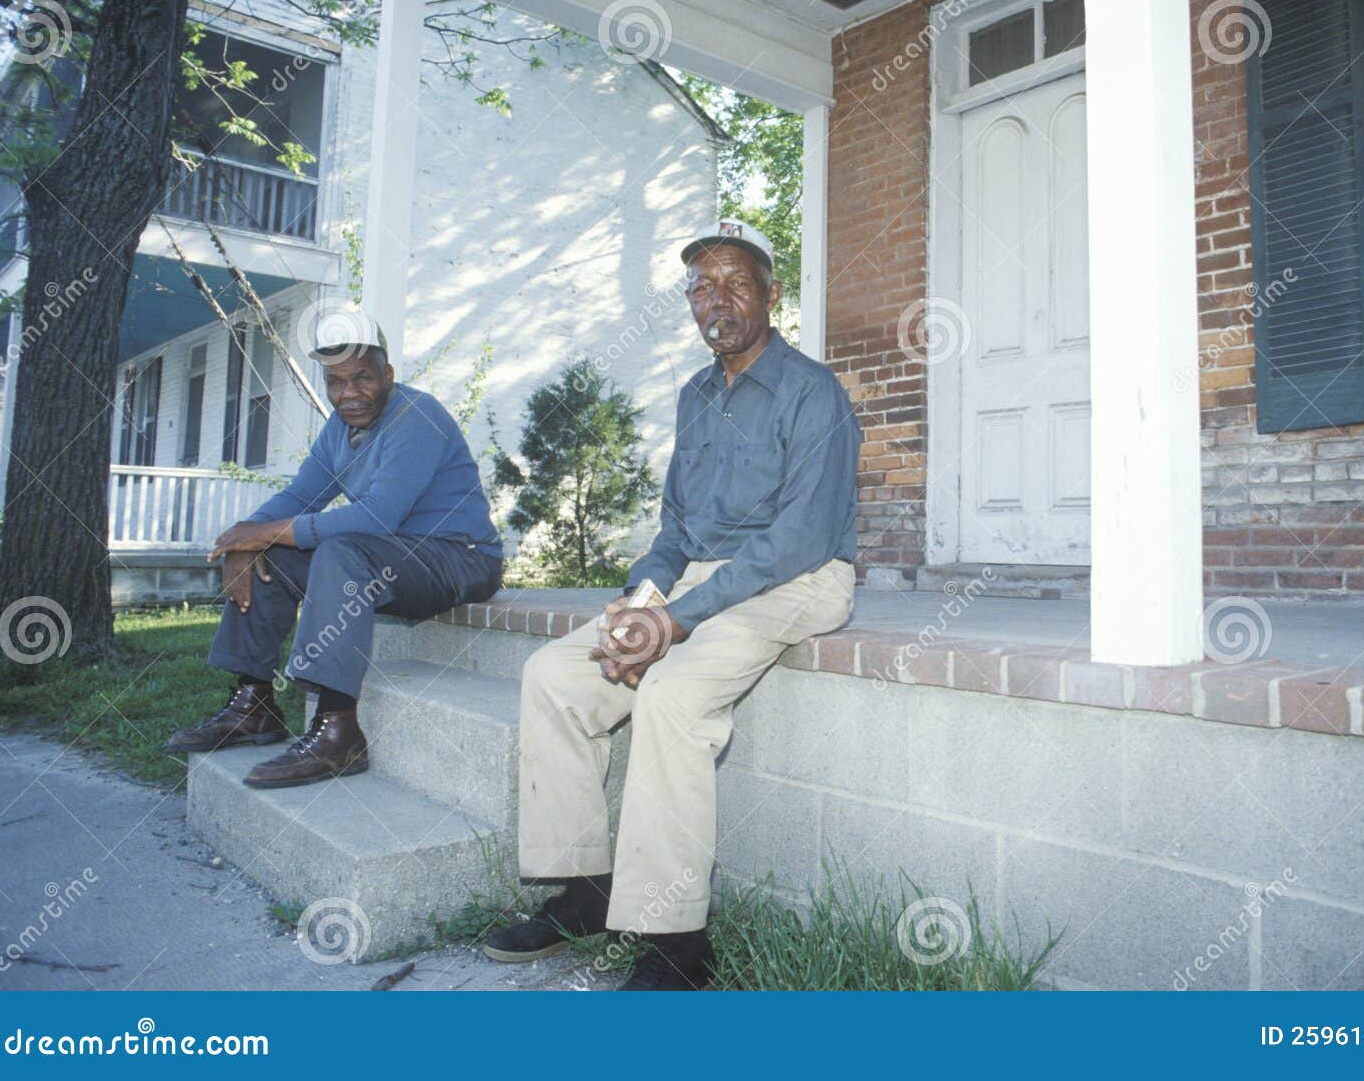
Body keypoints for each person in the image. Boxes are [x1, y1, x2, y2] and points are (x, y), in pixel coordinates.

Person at [482, 221, 860, 989]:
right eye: (702, 287)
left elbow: (799, 538)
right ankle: (584, 892)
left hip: (800, 578)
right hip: (700, 585)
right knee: (554, 675)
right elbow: (676, 531)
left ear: (770, 296)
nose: (717, 300)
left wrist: (677, 620)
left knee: (673, 694)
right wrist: (641, 605)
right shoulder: (695, 396)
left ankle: (677, 943)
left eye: (736, 283)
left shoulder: (812, 390)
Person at [165, 317, 504, 789]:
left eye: (362, 378)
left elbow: (377, 517)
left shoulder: (416, 417)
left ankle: (338, 731)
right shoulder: (338, 429)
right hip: (392, 557)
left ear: (388, 374)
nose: (349, 394)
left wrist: (264, 533)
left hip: (458, 557)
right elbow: (300, 496)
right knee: (275, 559)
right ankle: (254, 705)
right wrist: (242, 539)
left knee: (339, 550)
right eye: (335, 382)